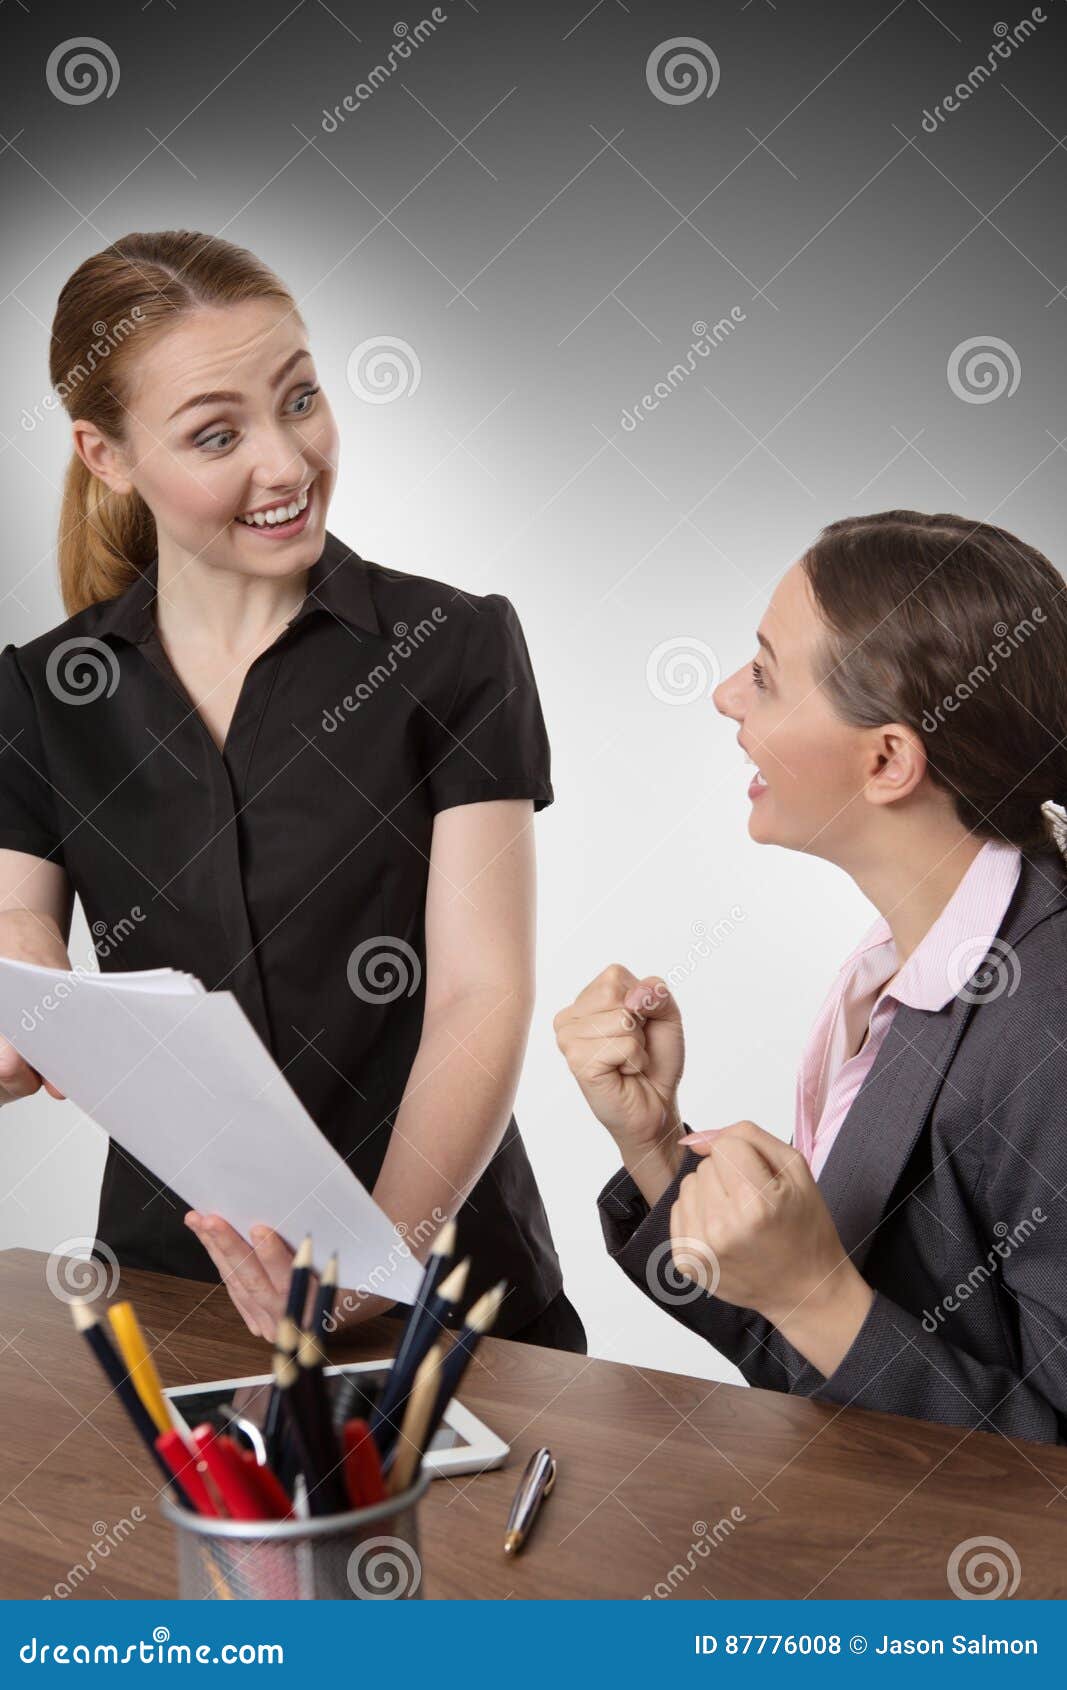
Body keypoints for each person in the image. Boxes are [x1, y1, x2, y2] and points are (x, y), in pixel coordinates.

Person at [0, 229, 585, 1352]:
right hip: (178, 1296)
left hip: (444, 1291)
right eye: (218, 434)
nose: (288, 463)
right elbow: (21, 927)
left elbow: (478, 997)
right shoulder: (44, 692)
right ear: (106, 453)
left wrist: (368, 1269)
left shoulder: (450, 647)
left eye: (301, 400)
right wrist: (24, 994)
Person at [555, 510, 1067, 1440]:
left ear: (886, 760)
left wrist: (817, 1292)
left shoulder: (1048, 1025)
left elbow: (1048, 1458)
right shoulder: (906, 966)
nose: (723, 696)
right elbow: (817, 1358)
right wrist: (657, 1147)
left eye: (763, 673)